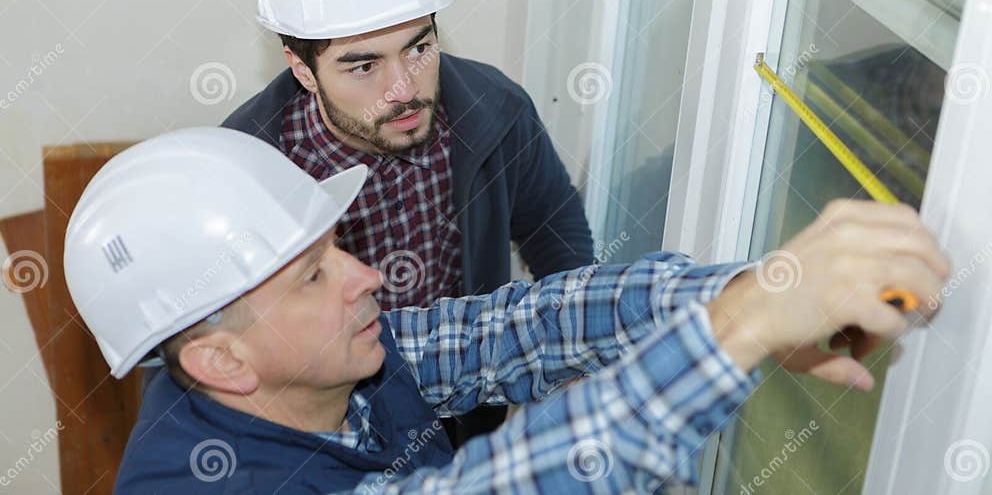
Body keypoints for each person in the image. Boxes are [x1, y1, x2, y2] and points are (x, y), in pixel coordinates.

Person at [64, 128, 950, 493]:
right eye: (311, 275)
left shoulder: (319, 366)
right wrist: (741, 328)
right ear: (222, 361)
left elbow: (523, 328)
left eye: (338, 247)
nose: (365, 275)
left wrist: (742, 292)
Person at [222, 0, 595, 440]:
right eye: (364, 66)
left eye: (419, 48)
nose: (405, 90)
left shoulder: (495, 111)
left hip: (467, 426)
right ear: (302, 70)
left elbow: (554, 234)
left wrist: (579, 357)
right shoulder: (245, 171)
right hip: (329, 440)